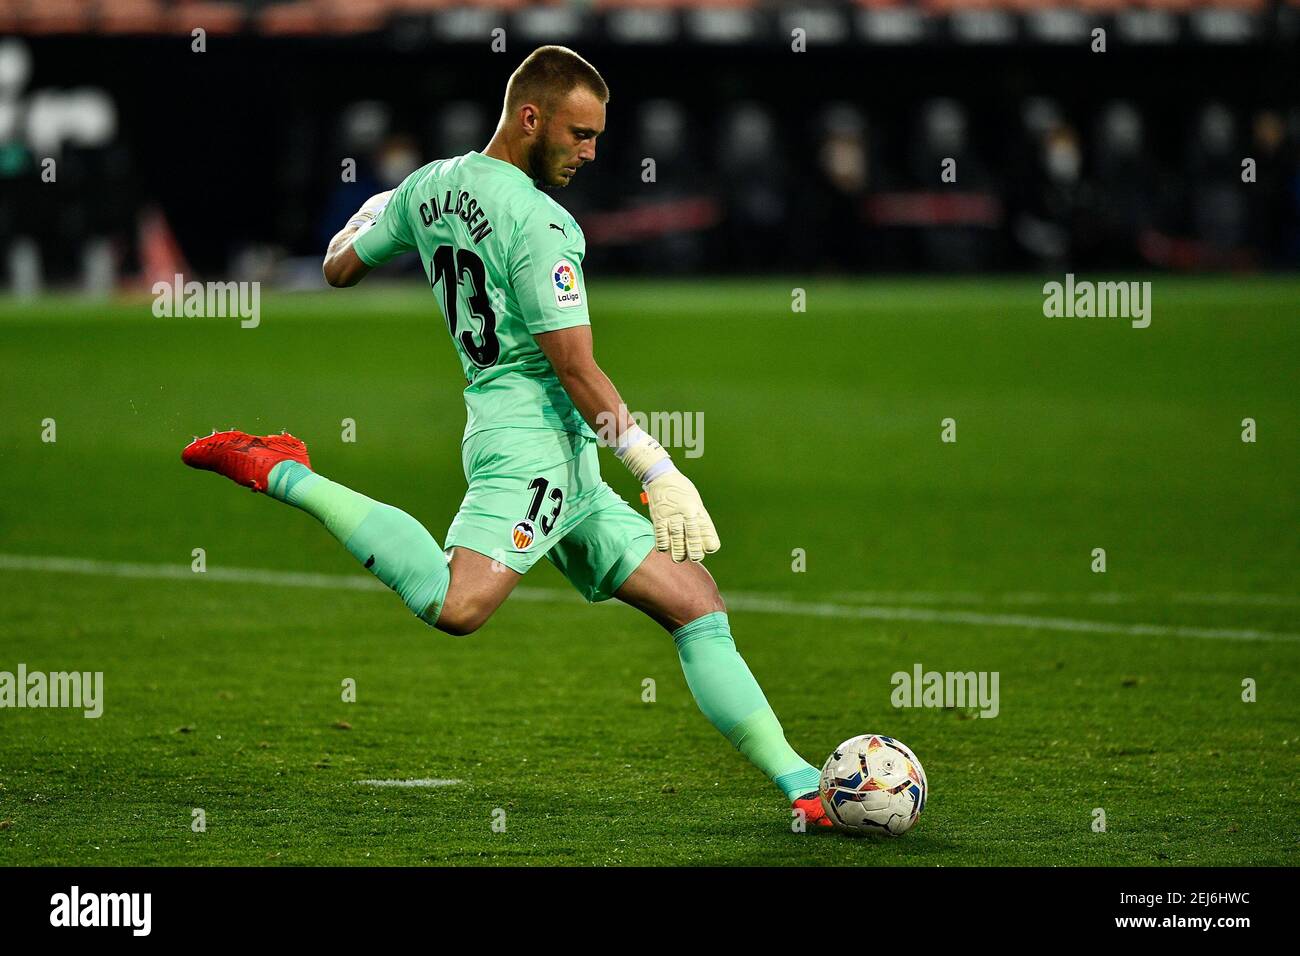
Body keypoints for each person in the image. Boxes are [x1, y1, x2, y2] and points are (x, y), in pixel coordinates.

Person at [182, 45, 829, 828]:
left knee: (696, 604)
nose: (591, 153)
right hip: (531, 447)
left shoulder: (433, 186)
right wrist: (656, 468)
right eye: (580, 135)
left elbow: (338, 267)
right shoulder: (542, 222)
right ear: (532, 118)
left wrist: (394, 202)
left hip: (551, 453)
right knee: (459, 604)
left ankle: (803, 788)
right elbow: (577, 370)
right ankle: (287, 472)